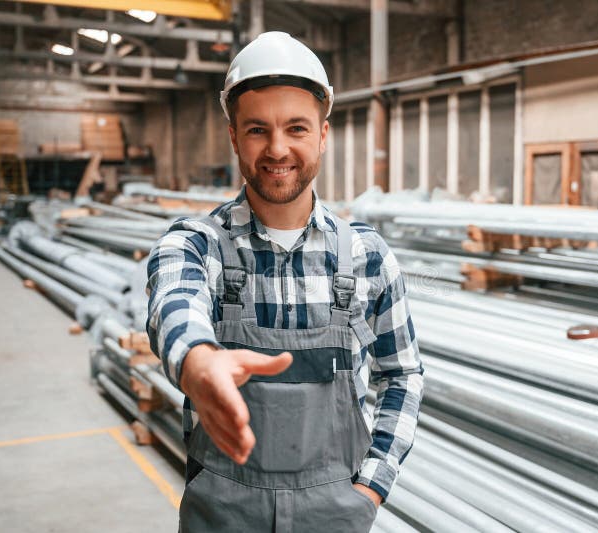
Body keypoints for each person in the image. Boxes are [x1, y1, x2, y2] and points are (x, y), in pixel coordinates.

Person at [146, 31, 423, 532]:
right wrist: (198, 362)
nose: (277, 149)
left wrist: (372, 486)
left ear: (322, 134)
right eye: (257, 130)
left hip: (336, 513)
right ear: (234, 137)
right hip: (223, 514)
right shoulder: (196, 244)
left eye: (296, 128)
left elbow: (401, 374)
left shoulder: (367, 257)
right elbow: (175, 302)